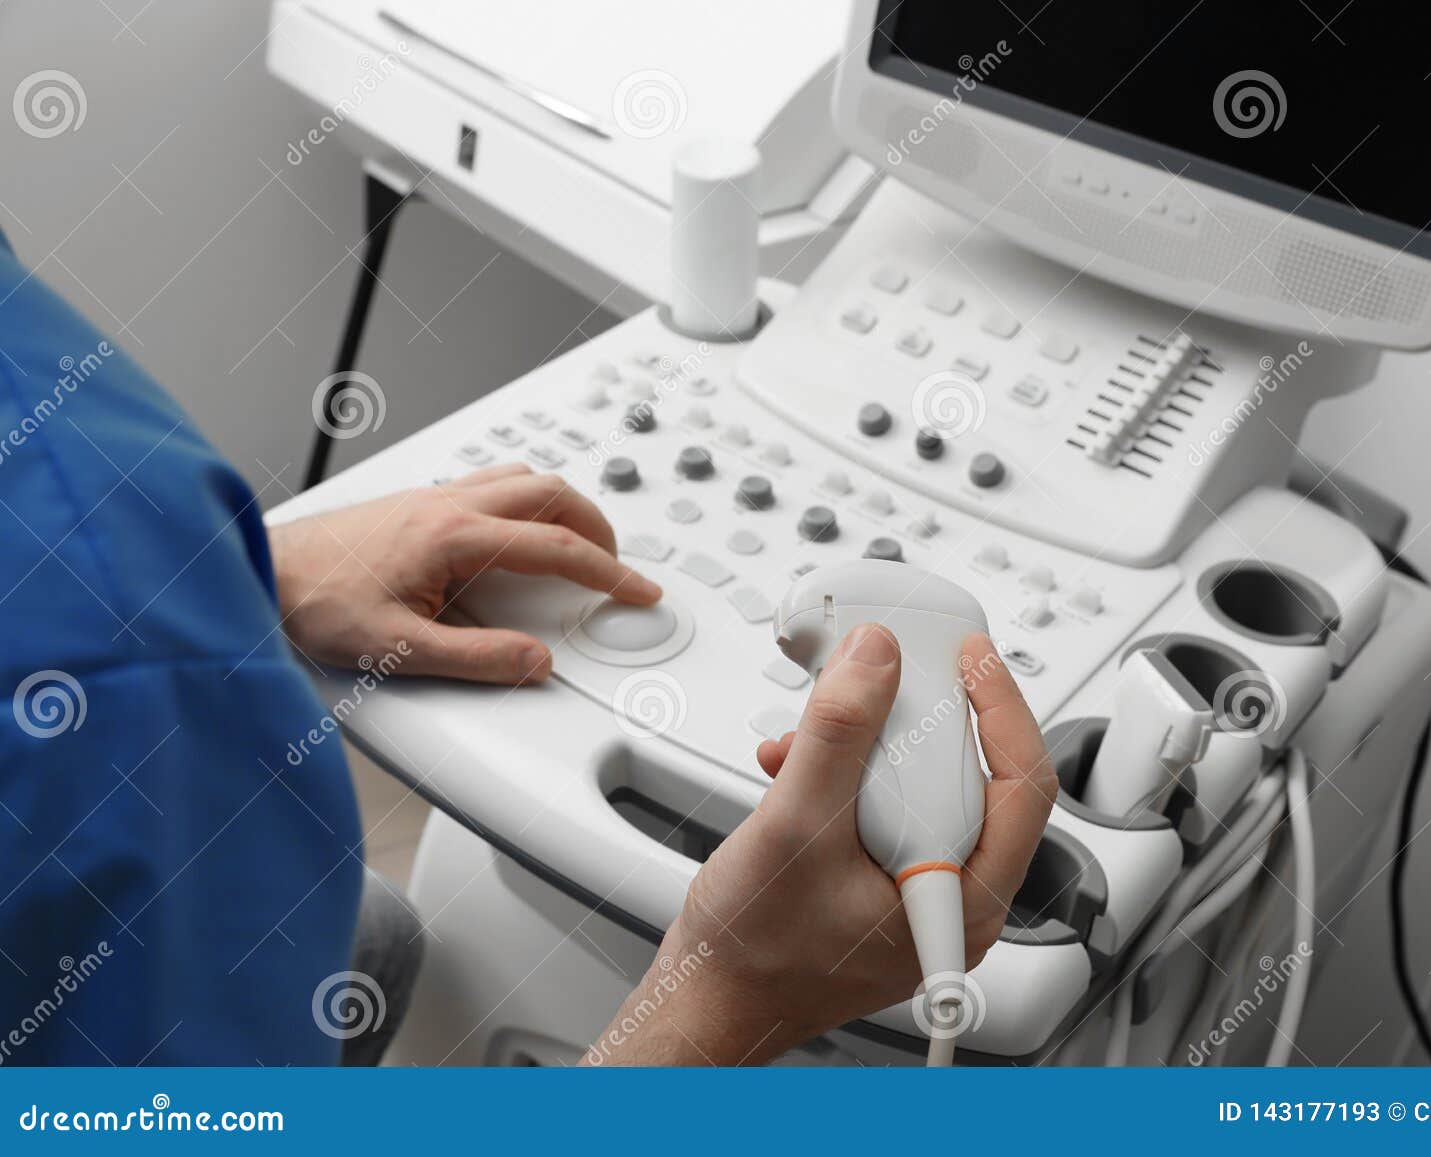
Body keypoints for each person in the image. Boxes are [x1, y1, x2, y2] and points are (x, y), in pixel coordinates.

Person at [0, 227, 1056, 1066]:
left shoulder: (96, 551)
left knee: (373, 938)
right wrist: (728, 998)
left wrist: (229, 577)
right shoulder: (106, 614)